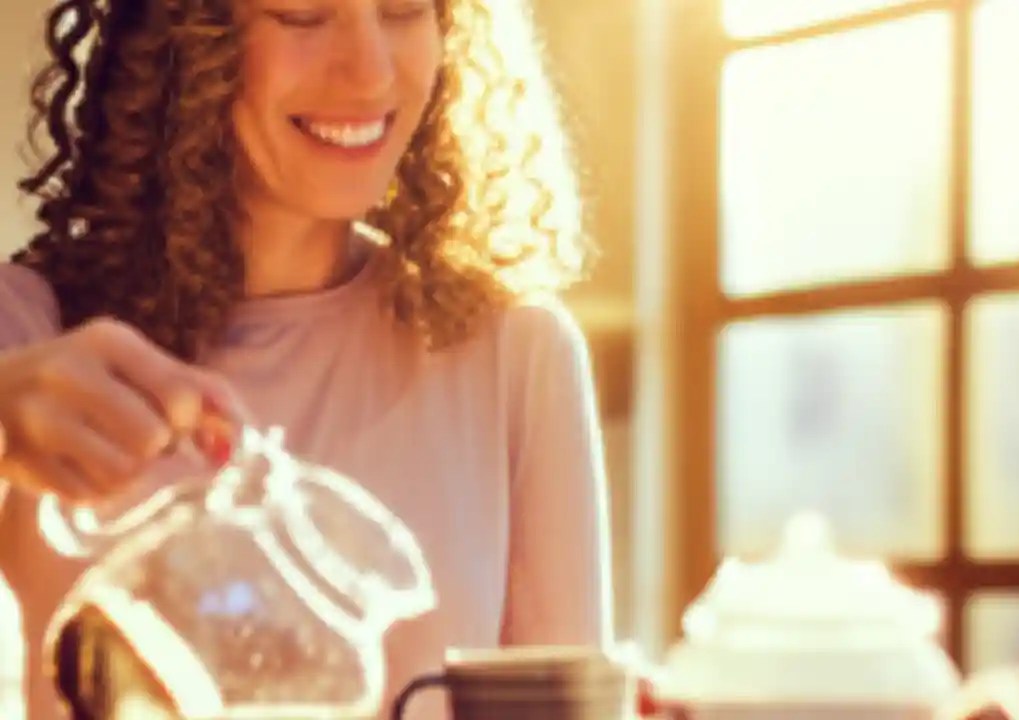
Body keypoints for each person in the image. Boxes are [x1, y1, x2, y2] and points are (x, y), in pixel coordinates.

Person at [0, 0, 612, 717]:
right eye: (301, 13)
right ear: (188, 41)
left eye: (406, 9)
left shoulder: (516, 355)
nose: (371, 71)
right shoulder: (32, 330)